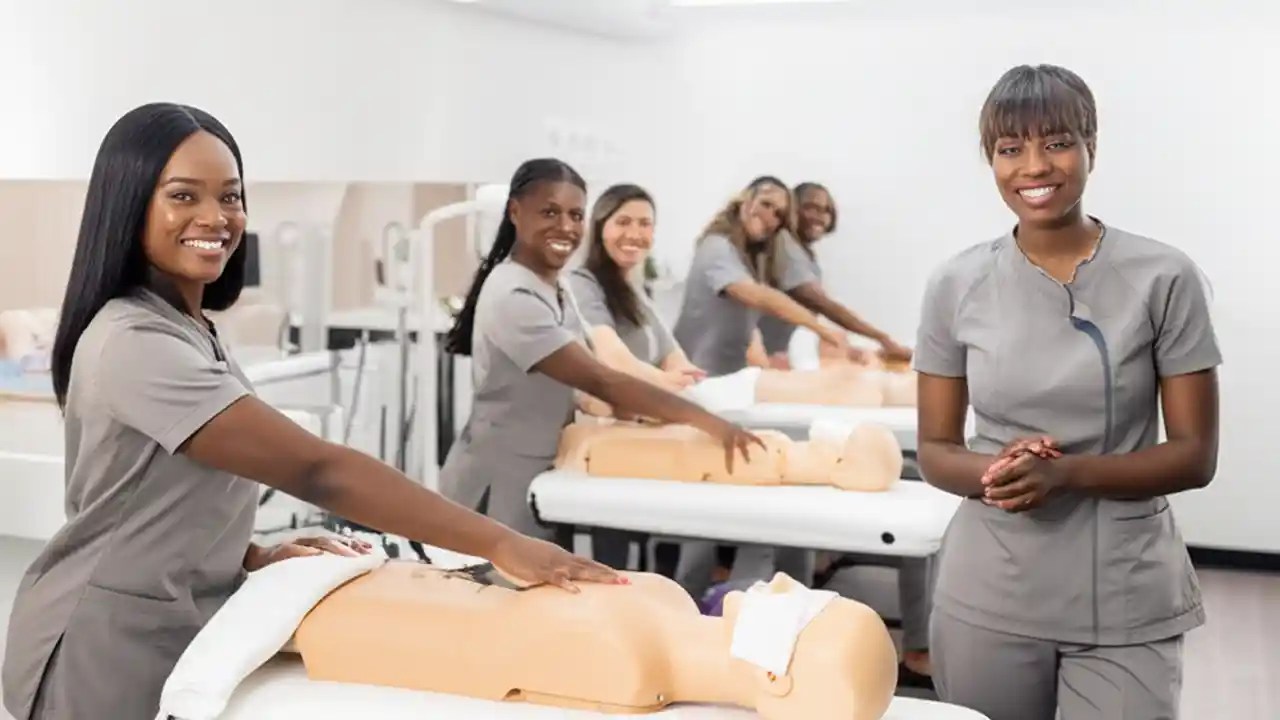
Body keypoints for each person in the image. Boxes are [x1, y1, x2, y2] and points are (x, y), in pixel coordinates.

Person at [0, 103, 627, 720]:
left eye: (231, 196)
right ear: (130, 203)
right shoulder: (135, 340)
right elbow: (316, 472)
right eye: (184, 196)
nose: (216, 217)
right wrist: (501, 542)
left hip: (169, 624)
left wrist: (252, 555)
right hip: (97, 645)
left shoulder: (189, 327)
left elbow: (155, 496)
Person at [915, 65, 1220, 720]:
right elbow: (937, 449)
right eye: (1009, 148)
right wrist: (1002, 470)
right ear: (991, 160)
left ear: (1090, 147)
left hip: (1125, 586)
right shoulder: (956, 283)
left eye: (1056, 142)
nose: (1034, 166)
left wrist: (1067, 473)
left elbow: (1195, 455)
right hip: (991, 587)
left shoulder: (1165, 276)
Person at [439, 159, 763, 547]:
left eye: (575, 215)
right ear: (515, 213)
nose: (565, 227)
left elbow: (580, 389)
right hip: (497, 478)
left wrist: (632, 411)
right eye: (549, 212)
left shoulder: (554, 288)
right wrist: (705, 420)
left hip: (541, 468)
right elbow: (601, 378)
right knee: (502, 596)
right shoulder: (515, 295)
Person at [669, 176, 843, 600]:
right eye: (765, 205)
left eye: (779, 214)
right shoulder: (716, 248)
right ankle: (685, 604)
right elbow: (758, 298)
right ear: (744, 200)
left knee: (750, 505)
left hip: (731, 393)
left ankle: (768, 602)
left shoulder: (744, 257)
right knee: (704, 516)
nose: (769, 217)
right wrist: (820, 326)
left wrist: (765, 358)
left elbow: (746, 325)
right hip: (701, 391)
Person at [754, 182, 912, 368]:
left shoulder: (804, 254)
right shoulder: (783, 241)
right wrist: (881, 338)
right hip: (757, 360)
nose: (819, 217)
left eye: (826, 210)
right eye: (810, 207)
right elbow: (819, 303)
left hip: (777, 355)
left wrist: (850, 348)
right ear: (791, 209)